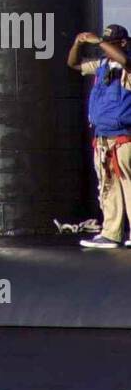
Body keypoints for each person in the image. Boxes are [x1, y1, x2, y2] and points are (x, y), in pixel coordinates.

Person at [68, 25, 131, 249]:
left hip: (125, 138)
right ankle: (111, 233)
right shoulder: (103, 66)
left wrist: (97, 42)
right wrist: (78, 43)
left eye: (108, 43)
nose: (103, 47)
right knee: (109, 187)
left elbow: (124, 60)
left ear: (123, 43)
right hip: (103, 138)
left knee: (129, 184)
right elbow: (74, 64)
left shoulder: (127, 65)